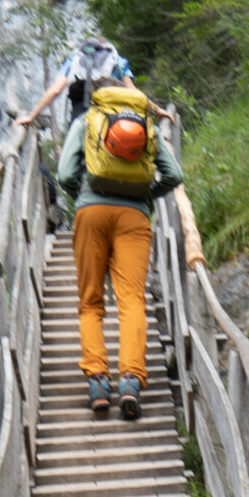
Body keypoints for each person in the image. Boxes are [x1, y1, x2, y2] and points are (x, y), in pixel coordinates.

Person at [56, 86, 184, 420]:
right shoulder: (148, 125)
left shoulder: (88, 120)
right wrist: (145, 195)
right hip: (135, 217)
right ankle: (130, 380)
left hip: (91, 214)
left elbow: (66, 174)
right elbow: (174, 175)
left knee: (90, 301)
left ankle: (98, 382)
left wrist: (83, 194)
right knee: (132, 300)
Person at [17, 35, 134, 134]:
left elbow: (55, 91)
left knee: (68, 158)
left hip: (81, 119)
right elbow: (133, 93)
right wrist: (151, 110)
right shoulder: (118, 60)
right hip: (113, 120)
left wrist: (31, 116)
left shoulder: (74, 60)